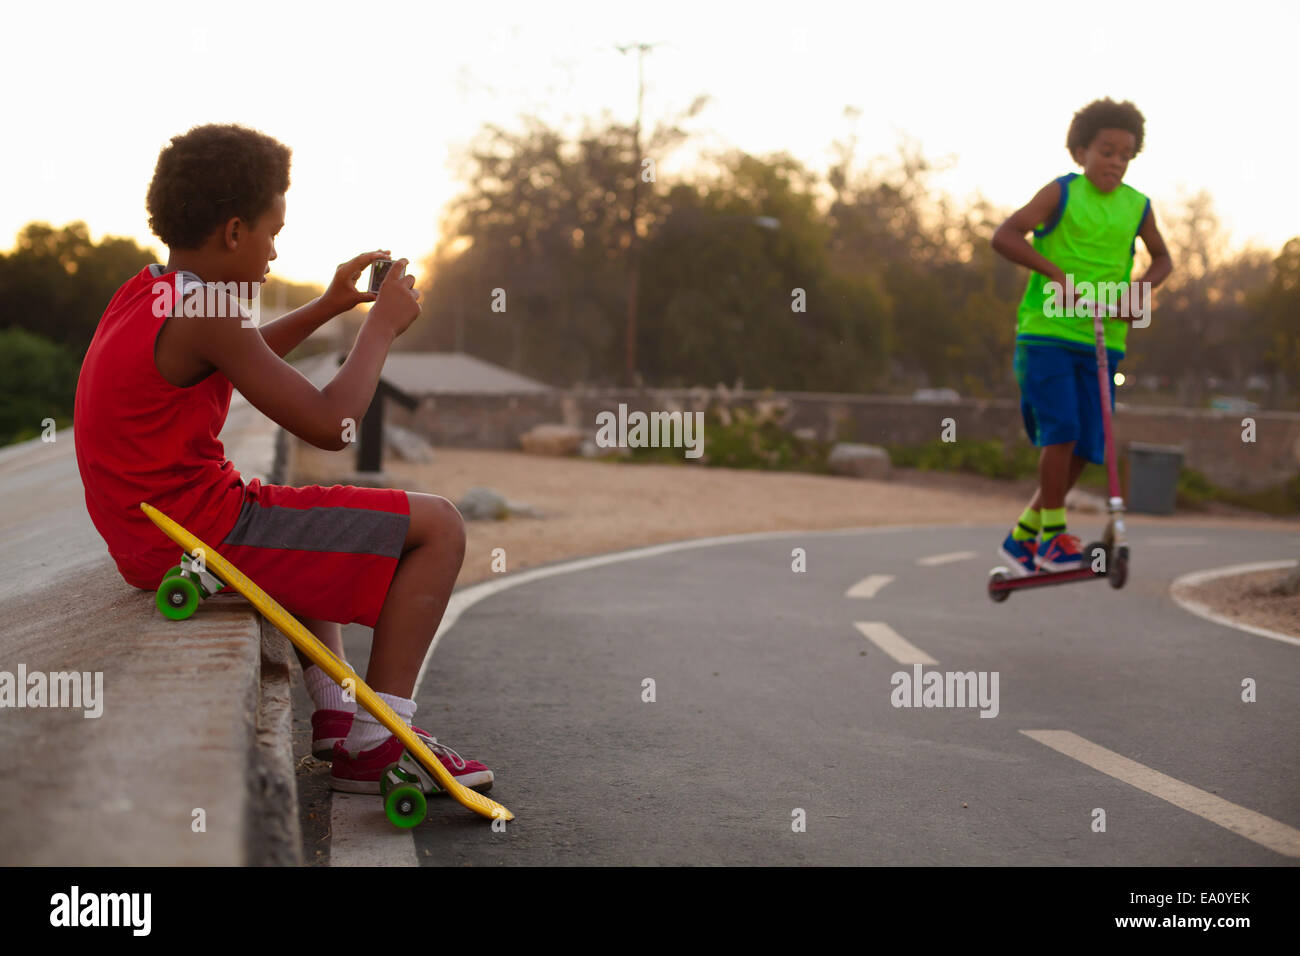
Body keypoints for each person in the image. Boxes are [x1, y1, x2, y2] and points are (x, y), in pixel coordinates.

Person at [73, 123, 492, 794]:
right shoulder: (210, 311)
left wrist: (329, 306)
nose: (275, 248)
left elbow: (242, 355)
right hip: (199, 535)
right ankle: (376, 742)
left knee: (301, 519)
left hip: (149, 538)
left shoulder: (151, 291)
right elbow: (334, 425)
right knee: (440, 525)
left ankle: (335, 716)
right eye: (273, 231)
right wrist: (380, 329)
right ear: (234, 231)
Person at [991, 98, 1173, 574]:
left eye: (1125, 154)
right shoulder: (1061, 192)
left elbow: (1163, 259)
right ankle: (1053, 537)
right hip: (1047, 334)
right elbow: (1006, 235)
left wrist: (1139, 293)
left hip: (1102, 340)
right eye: (1106, 150)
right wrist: (1057, 276)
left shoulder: (1137, 206)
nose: (1115, 161)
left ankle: (1025, 535)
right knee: (1062, 430)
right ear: (1080, 151)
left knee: (1089, 446)